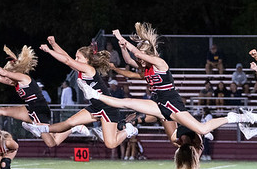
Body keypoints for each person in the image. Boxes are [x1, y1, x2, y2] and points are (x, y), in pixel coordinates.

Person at [75, 24, 241, 145]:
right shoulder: (145, 68)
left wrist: (121, 38)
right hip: (158, 101)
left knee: (202, 129)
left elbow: (138, 53)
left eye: (141, 58)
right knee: (129, 103)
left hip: (170, 101)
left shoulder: (159, 63)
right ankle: (95, 95)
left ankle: (229, 118)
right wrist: (123, 47)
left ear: (148, 55)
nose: (139, 61)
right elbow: (129, 60)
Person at [0, 46, 85, 148]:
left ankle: (73, 128)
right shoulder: (15, 82)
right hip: (31, 108)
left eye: (8, 74)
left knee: (52, 143)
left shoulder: (24, 78)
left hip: (39, 110)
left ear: (14, 72)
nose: (6, 78)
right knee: (3, 111)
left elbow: (2, 73)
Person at [24, 37, 137, 149]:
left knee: (110, 144)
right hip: (96, 107)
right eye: (76, 57)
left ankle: (129, 130)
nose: (76, 60)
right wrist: (53, 44)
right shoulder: (81, 69)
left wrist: (49, 50)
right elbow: (67, 58)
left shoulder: (89, 69)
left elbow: (67, 60)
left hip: (107, 108)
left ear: (87, 60)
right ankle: (42, 128)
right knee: (70, 122)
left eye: (78, 58)